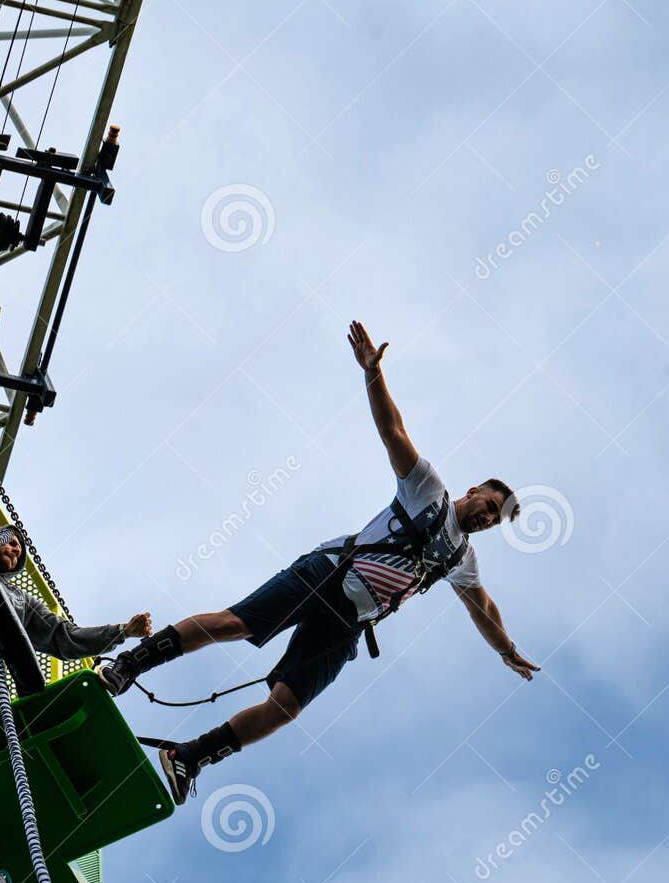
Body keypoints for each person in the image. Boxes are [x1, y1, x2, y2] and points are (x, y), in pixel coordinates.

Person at [99, 321, 540, 805]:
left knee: (286, 707)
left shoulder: (463, 558)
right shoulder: (428, 490)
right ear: (475, 491)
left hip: (349, 622)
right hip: (327, 575)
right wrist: (373, 373)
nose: (488, 518)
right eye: (491, 507)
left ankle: (190, 756)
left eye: (495, 521)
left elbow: (484, 609)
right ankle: (128, 665)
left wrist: (506, 649)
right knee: (234, 624)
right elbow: (392, 430)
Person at [0, 524, 151, 712]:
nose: (17, 549)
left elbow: (64, 636)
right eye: (10, 542)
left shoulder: (19, 600)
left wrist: (122, 631)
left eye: (19, 547)